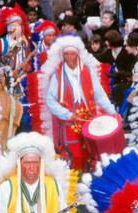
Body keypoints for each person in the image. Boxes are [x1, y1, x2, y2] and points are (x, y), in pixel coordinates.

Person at [40, 34, 115, 170]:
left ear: (78, 55)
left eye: (72, 54)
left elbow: (99, 94)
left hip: (88, 120)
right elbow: (50, 100)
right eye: (67, 55)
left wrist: (112, 112)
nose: (70, 58)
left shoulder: (87, 71)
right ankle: (73, 183)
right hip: (69, 122)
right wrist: (67, 114)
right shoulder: (58, 75)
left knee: (91, 153)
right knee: (74, 155)